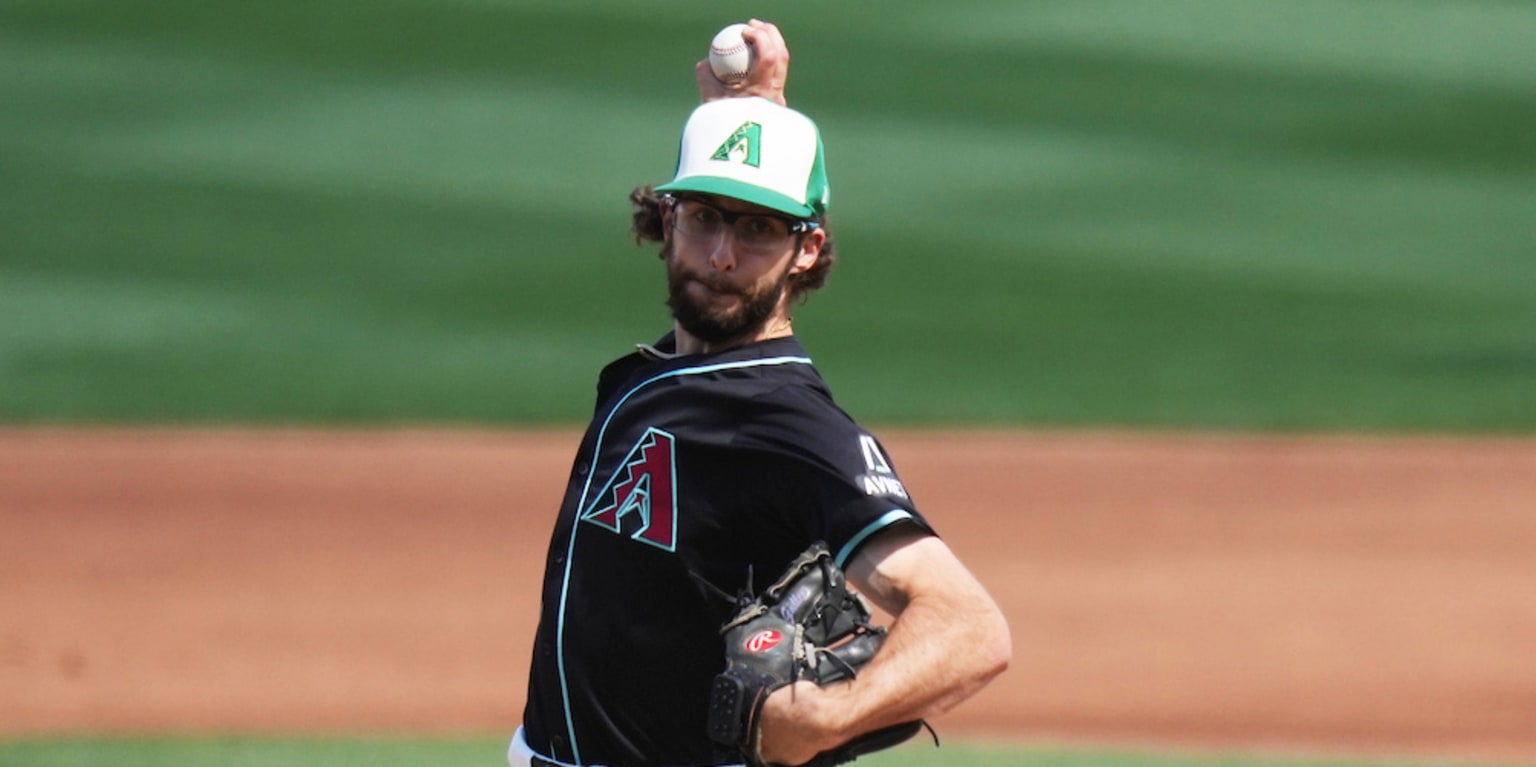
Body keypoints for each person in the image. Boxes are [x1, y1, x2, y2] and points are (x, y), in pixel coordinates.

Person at [510, 20, 1011, 767]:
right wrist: (754, 116)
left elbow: (973, 628)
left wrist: (831, 715)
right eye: (705, 216)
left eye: (757, 230)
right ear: (668, 216)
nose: (720, 255)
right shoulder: (666, 373)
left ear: (806, 248)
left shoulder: (785, 419)